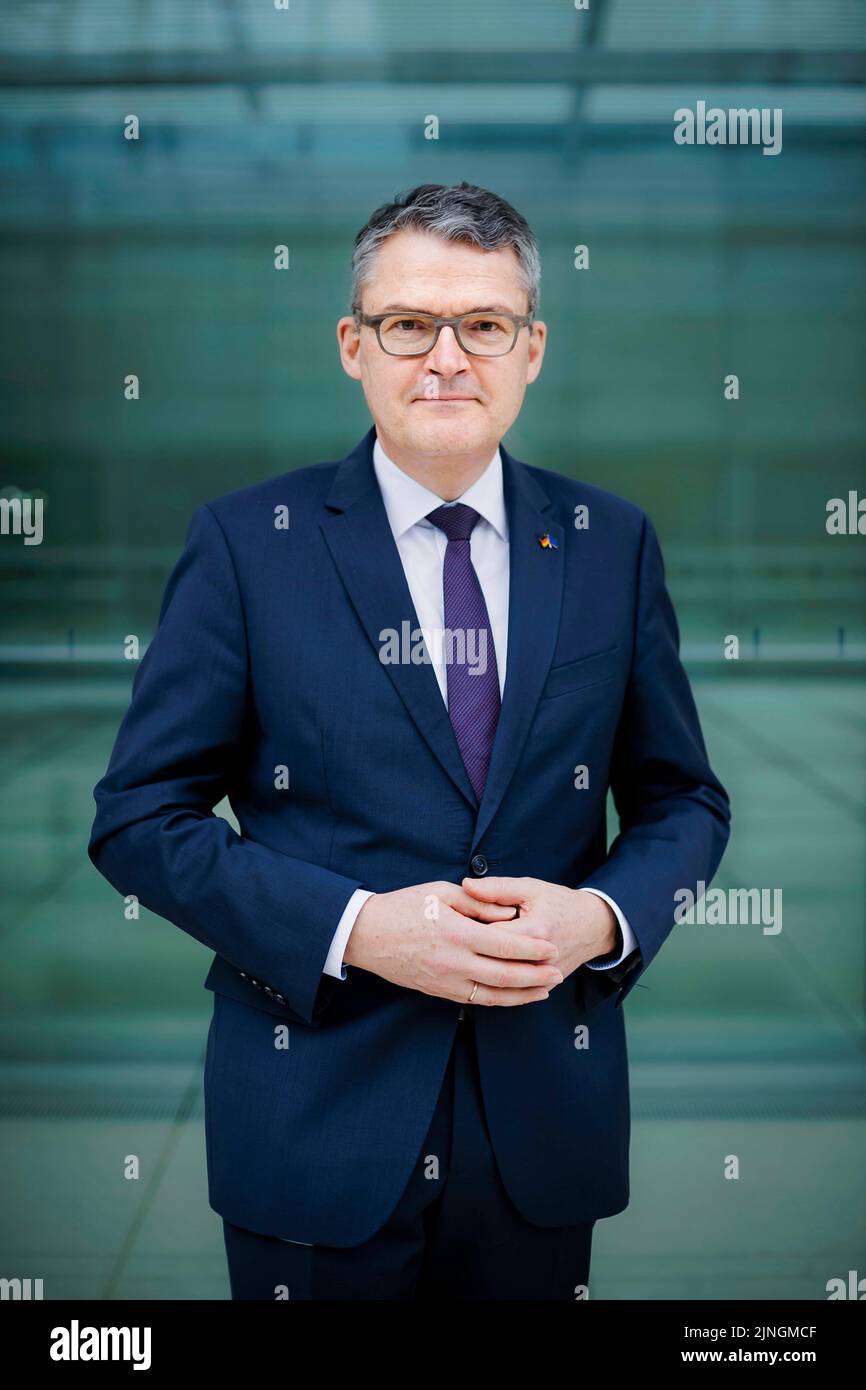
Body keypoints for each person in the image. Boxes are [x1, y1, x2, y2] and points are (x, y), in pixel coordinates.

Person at [88, 182, 730, 1300]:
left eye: (482, 325)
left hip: (540, 1124)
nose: (445, 358)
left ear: (530, 350)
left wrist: (599, 916)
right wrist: (356, 928)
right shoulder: (248, 544)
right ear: (353, 344)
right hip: (315, 1115)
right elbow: (140, 818)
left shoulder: (609, 543)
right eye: (407, 325)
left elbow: (681, 800)